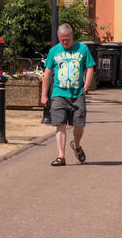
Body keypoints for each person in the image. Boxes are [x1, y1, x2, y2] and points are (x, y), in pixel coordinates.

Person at [41, 23, 95, 166]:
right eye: (62, 39)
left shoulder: (82, 49)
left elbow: (90, 67)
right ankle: (61, 156)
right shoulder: (54, 51)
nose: (64, 42)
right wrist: (44, 94)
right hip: (59, 93)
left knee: (79, 126)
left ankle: (76, 145)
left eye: (67, 39)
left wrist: (86, 86)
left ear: (72, 36)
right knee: (60, 125)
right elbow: (47, 73)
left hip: (77, 94)